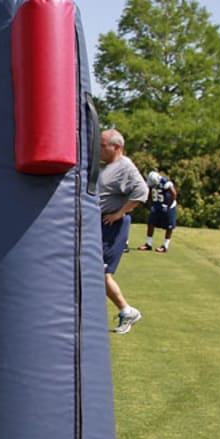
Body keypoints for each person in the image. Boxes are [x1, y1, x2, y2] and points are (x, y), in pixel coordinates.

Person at [98, 129, 148, 334]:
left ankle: (126, 310)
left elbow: (142, 192)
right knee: (94, 270)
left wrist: (119, 214)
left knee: (101, 272)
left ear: (116, 147)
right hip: (101, 224)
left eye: (103, 146)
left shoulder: (125, 166)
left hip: (113, 226)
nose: (99, 150)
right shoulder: (109, 167)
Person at [138, 170, 178, 252]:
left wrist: (168, 206)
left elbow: (174, 194)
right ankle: (148, 244)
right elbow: (149, 192)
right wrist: (151, 203)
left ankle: (165, 246)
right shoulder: (151, 182)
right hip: (157, 205)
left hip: (167, 206)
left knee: (169, 226)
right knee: (151, 223)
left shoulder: (165, 182)